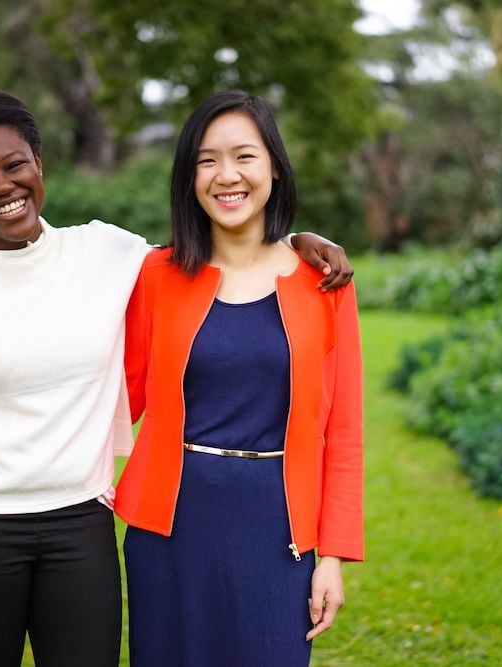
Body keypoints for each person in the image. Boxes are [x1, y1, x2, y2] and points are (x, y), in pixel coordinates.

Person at [0, 90, 354, 666]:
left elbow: (228, 251)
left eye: (14, 166)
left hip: (83, 527)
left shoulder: (103, 252)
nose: (2, 187)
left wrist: (298, 242)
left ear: (38, 165)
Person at [114, 90, 364, 666]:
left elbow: (344, 429)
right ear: (188, 176)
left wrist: (332, 557)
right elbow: (115, 400)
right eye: (206, 160)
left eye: (244, 156)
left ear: (273, 166)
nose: (226, 175)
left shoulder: (324, 280)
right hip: (170, 531)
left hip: (279, 533)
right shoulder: (154, 274)